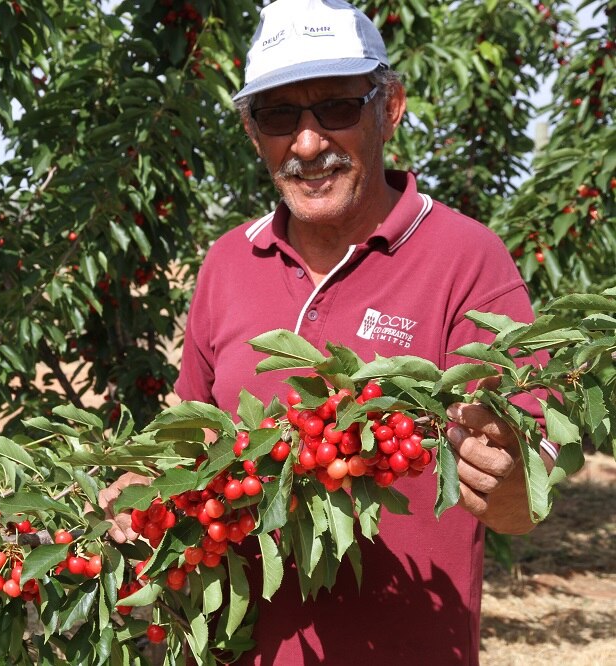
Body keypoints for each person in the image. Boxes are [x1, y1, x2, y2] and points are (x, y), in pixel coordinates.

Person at [165, 0, 557, 663]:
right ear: (251, 131)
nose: (309, 143)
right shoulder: (227, 262)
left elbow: (523, 495)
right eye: (279, 116)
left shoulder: (467, 258)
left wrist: (513, 480)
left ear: (390, 106)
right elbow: (191, 438)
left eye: (338, 108)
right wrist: (141, 488)